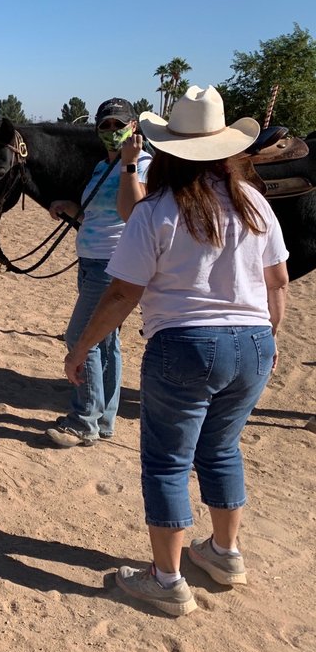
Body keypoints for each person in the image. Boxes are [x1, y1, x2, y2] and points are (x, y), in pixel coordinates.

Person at [64, 85, 289, 616]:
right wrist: (270, 338)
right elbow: (277, 280)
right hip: (253, 342)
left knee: (167, 463)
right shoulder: (254, 201)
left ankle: (166, 580)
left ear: (168, 150)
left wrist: (82, 348)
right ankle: (224, 553)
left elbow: (123, 293)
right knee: (223, 448)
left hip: (185, 343)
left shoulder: (158, 210)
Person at [46, 98, 152, 448]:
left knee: (81, 337)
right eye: (104, 126)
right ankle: (104, 419)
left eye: (118, 125)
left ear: (133, 127)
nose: (111, 132)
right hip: (91, 262)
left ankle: (83, 420)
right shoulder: (99, 168)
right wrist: (71, 208)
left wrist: (130, 164)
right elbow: (99, 214)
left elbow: (136, 212)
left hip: (114, 266)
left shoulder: (143, 165)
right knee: (106, 341)